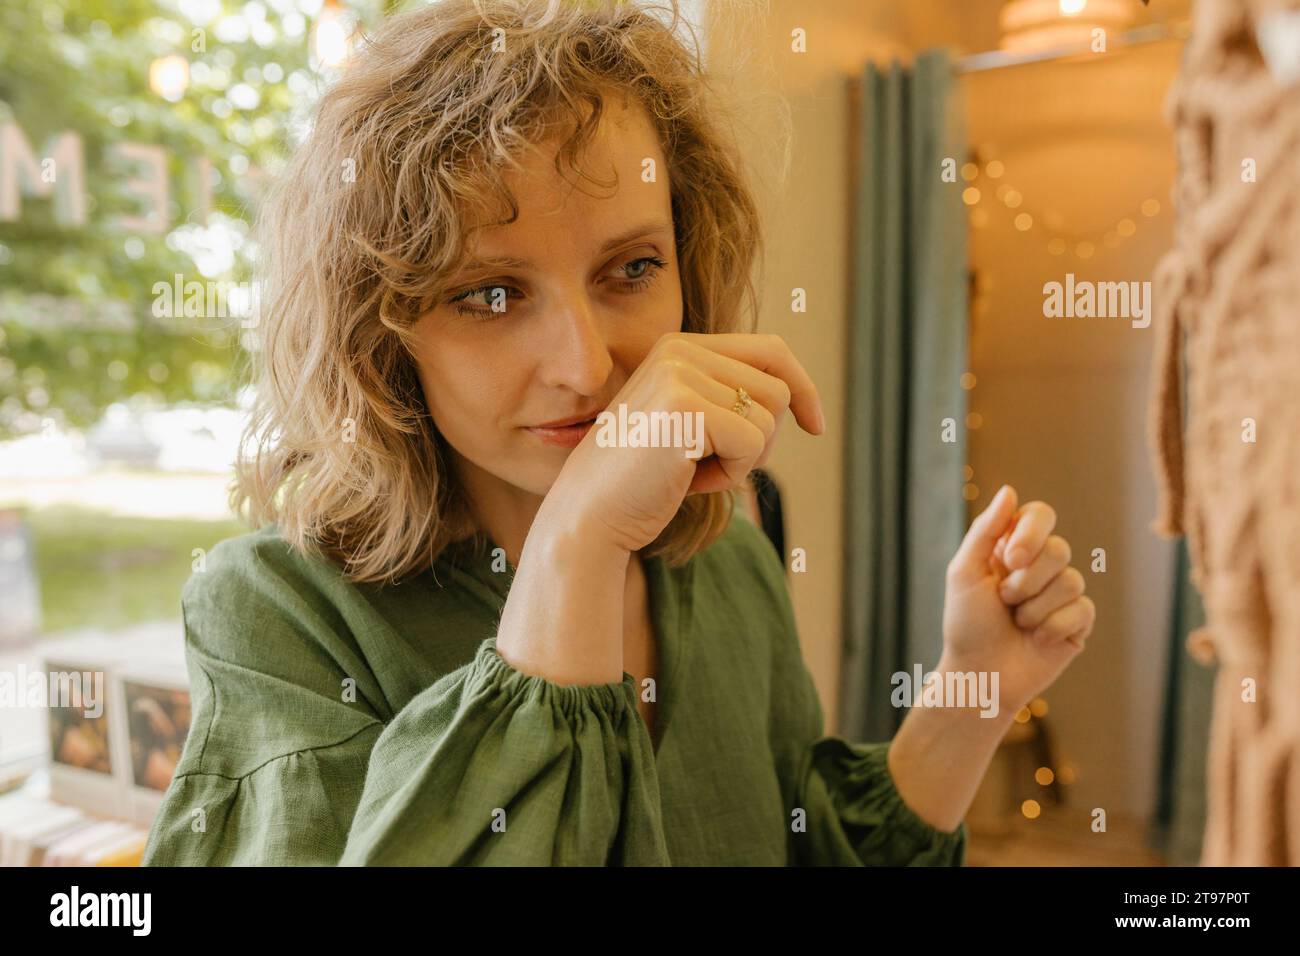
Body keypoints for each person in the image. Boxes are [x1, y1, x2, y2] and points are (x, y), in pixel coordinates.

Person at [141, 0, 1095, 866]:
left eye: (632, 268)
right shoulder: (276, 615)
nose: (588, 367)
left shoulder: (728, 558)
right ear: (378, 335)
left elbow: (800, 843)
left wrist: (975, 690)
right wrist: (576, 547)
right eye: (492, 293)